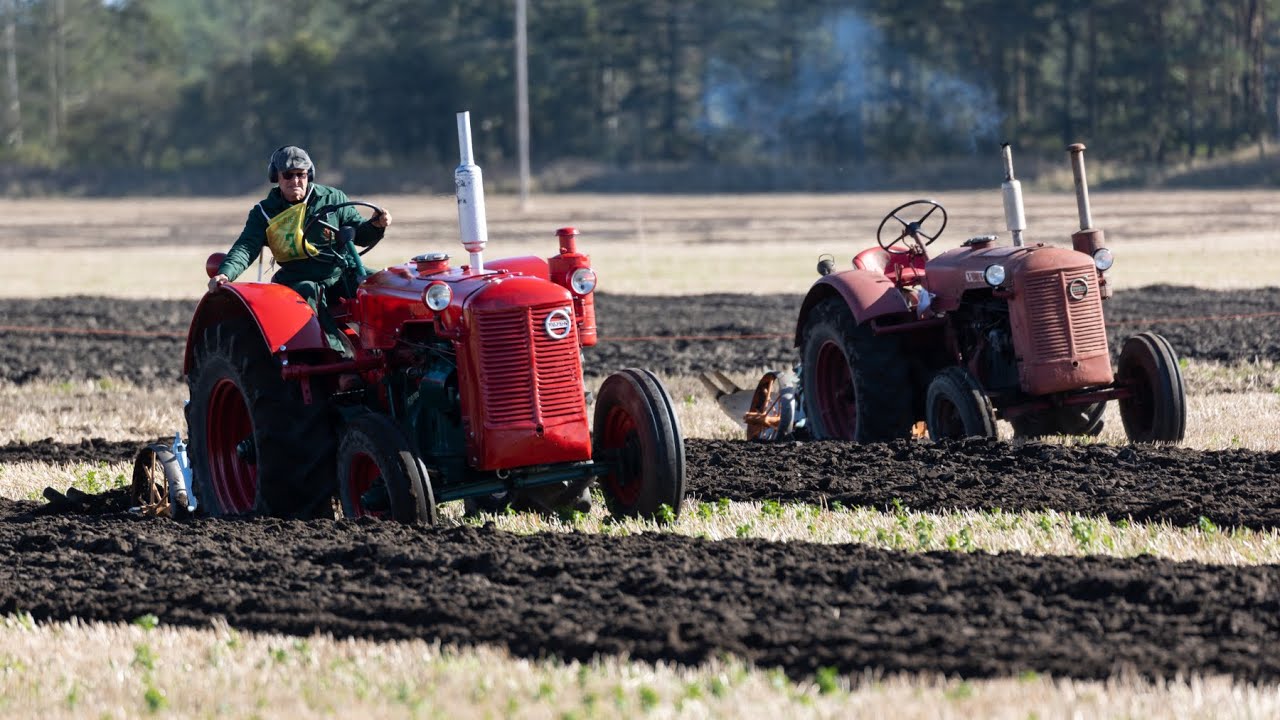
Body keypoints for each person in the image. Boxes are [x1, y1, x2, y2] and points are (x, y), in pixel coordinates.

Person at [207, 145, 392, 356]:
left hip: (339, 273)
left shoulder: (332, 199)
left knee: (381, 284)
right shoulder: (264, 212)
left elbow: (359, 233)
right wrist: (226, 273)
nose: (295, 181)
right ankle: (338, 357)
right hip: (297, 279)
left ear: (309, 175)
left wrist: (376, 225)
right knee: (308, 291)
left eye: (301, 175)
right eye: (288, 175)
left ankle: (392, 350)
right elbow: (246, 246)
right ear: (276, 177)